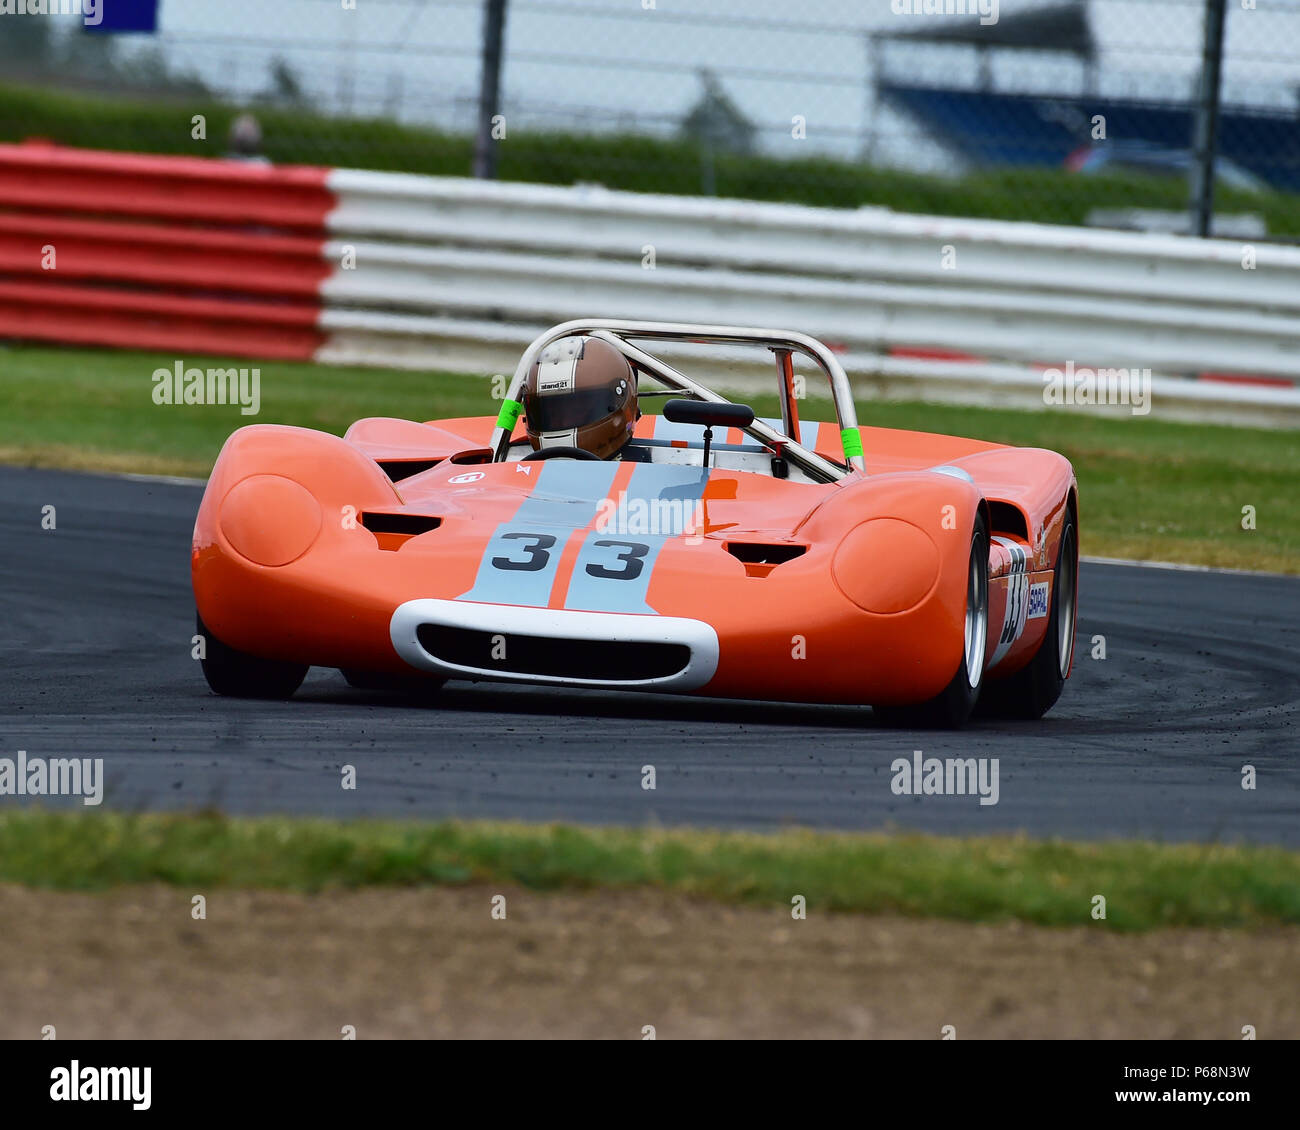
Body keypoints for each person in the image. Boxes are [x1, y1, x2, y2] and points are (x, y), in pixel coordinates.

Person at [521, 335, 639, 459]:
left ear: (618, 400)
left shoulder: (648, 471)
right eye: (553, 413)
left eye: (574, 411)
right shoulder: (509, 461)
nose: (563, 421)